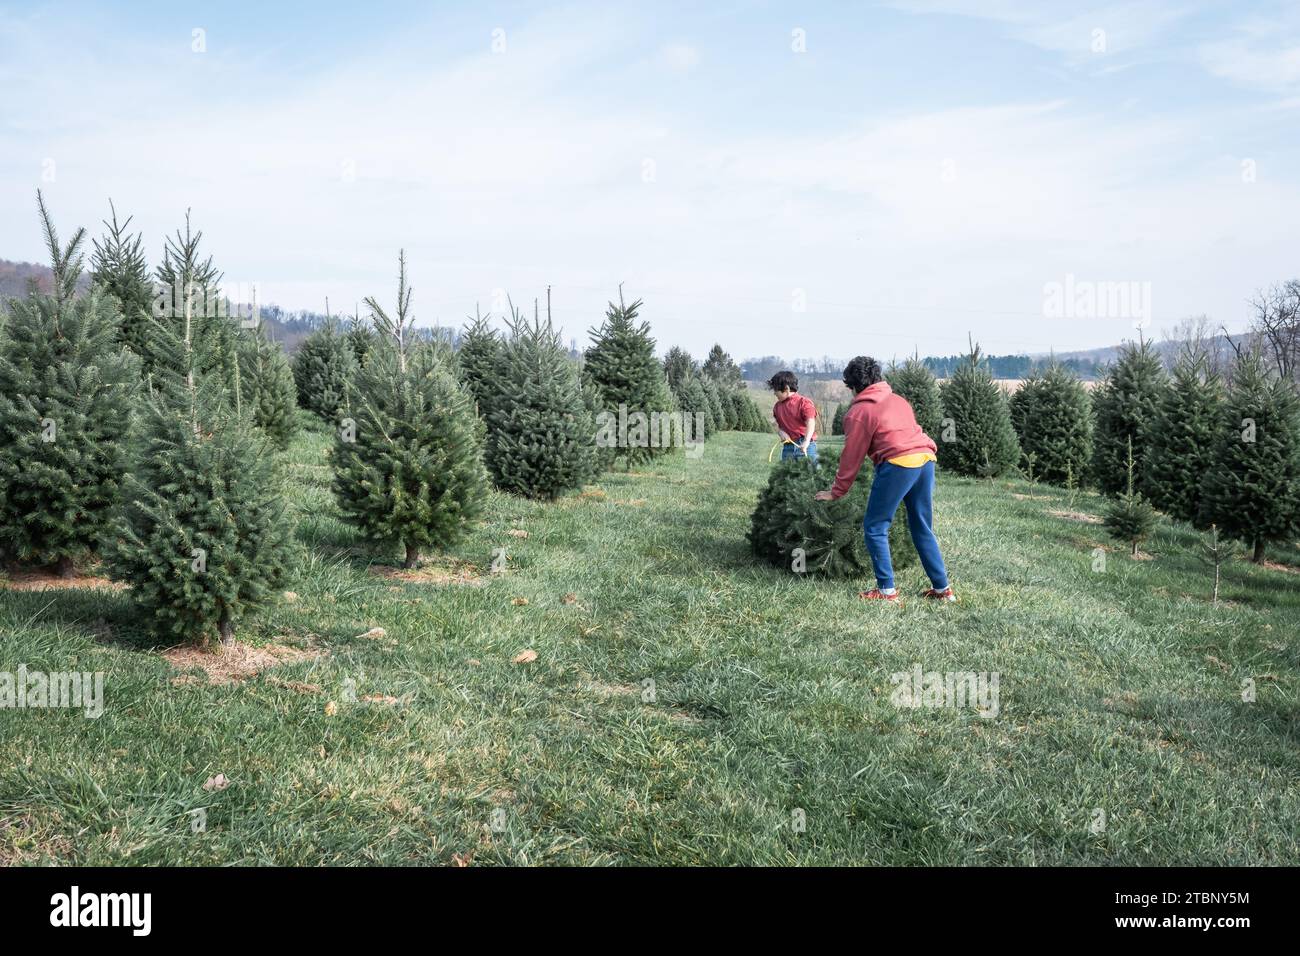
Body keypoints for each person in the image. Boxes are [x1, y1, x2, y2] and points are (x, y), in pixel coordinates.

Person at [814, 356, 956, 604]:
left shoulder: (859, 412)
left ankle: (887, 591)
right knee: (922, 526)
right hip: (925, 459)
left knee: (875, 526)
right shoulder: (899, 400)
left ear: (852, 386)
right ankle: (943, 590)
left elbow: (852, 457)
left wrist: (836, 491)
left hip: (898, 464)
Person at [766, 370, 818, 462]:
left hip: (805, 446)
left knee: (807, 474)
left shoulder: (804, 403)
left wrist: (806, 442)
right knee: (787, 474)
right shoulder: (777, 407)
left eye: (776, 390)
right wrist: (781, 432)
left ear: (786, 389)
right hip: (788, 447)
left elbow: (811, 422)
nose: (774, 393)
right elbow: (776, 424)